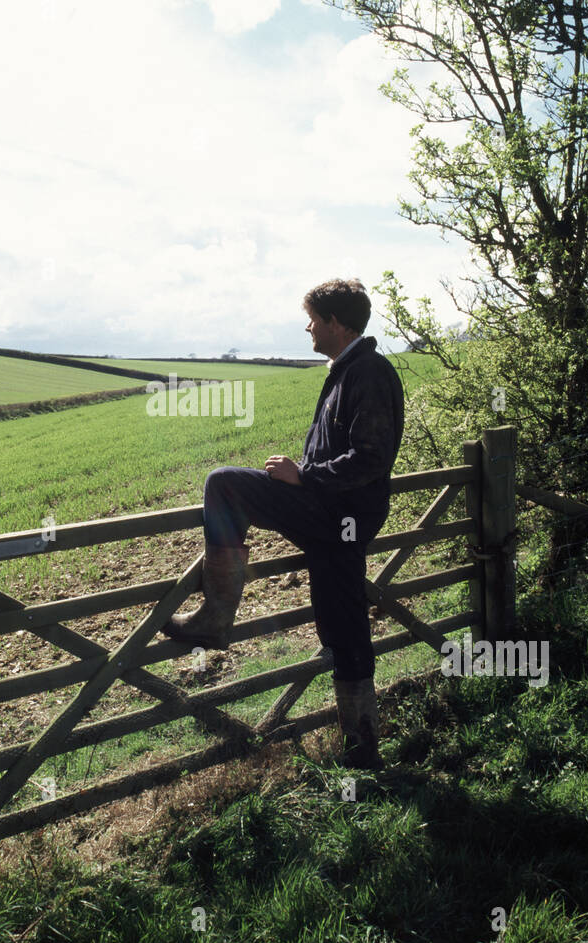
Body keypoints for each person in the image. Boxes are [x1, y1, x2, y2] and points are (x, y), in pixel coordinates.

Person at [161, 278, 405, 769]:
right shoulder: (348, 369)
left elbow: (373, 458)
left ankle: (215, 617)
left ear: (336, 323)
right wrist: (303, 472)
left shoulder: (369, 372)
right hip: (337, 517)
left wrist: (304, 474)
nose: (308, 327)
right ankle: (362, 751)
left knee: (224, 484)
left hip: (340, 515)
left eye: (313, 319)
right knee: (343, 624)